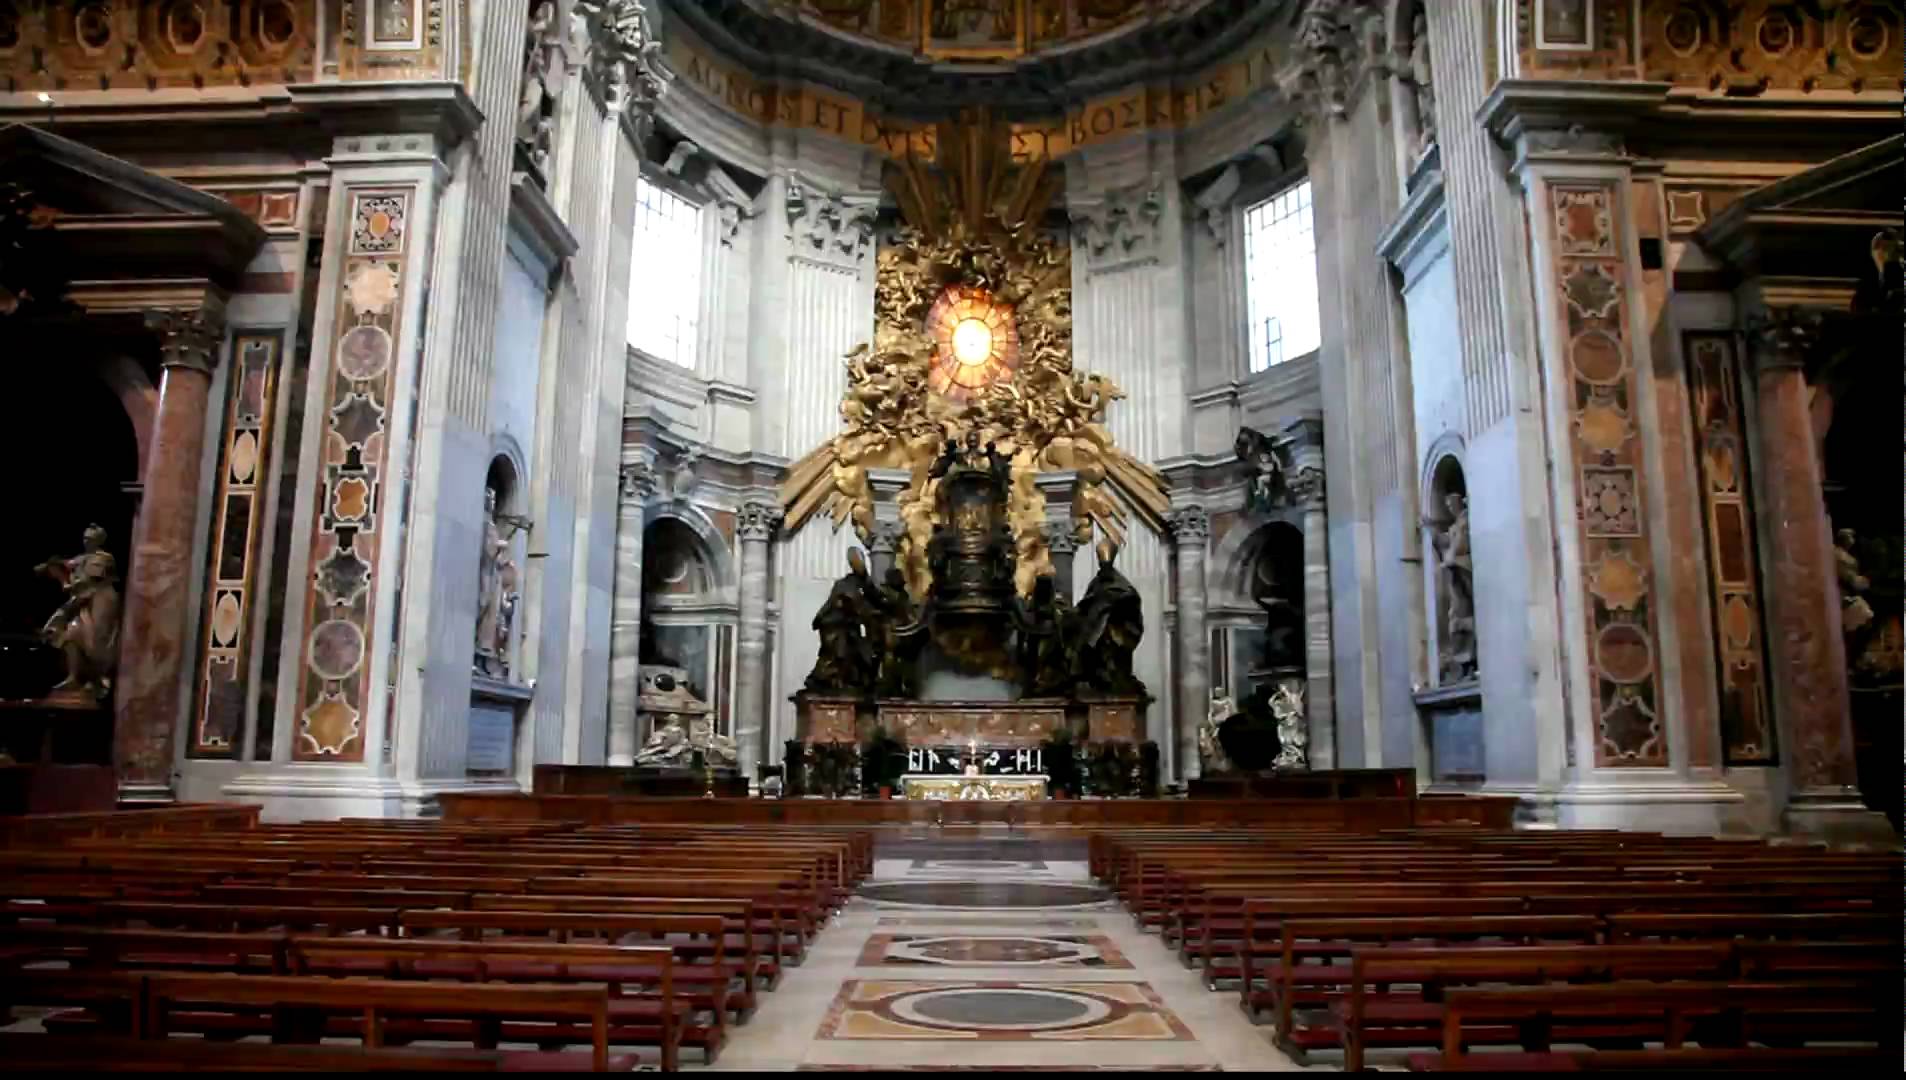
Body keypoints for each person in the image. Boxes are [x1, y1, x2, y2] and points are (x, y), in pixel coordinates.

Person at [36, 524, 121, 697]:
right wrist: (51, 567)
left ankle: (97, 679)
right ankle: (74, 676)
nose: (86, 542)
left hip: (100, 600)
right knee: (71, 633)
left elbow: (83, 584)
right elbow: (64, 565)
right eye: (85, 538)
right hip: (83, 601)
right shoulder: (81, 558)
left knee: (96, 640)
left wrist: (61, 578)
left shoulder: (103, 558)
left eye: (90, 539)